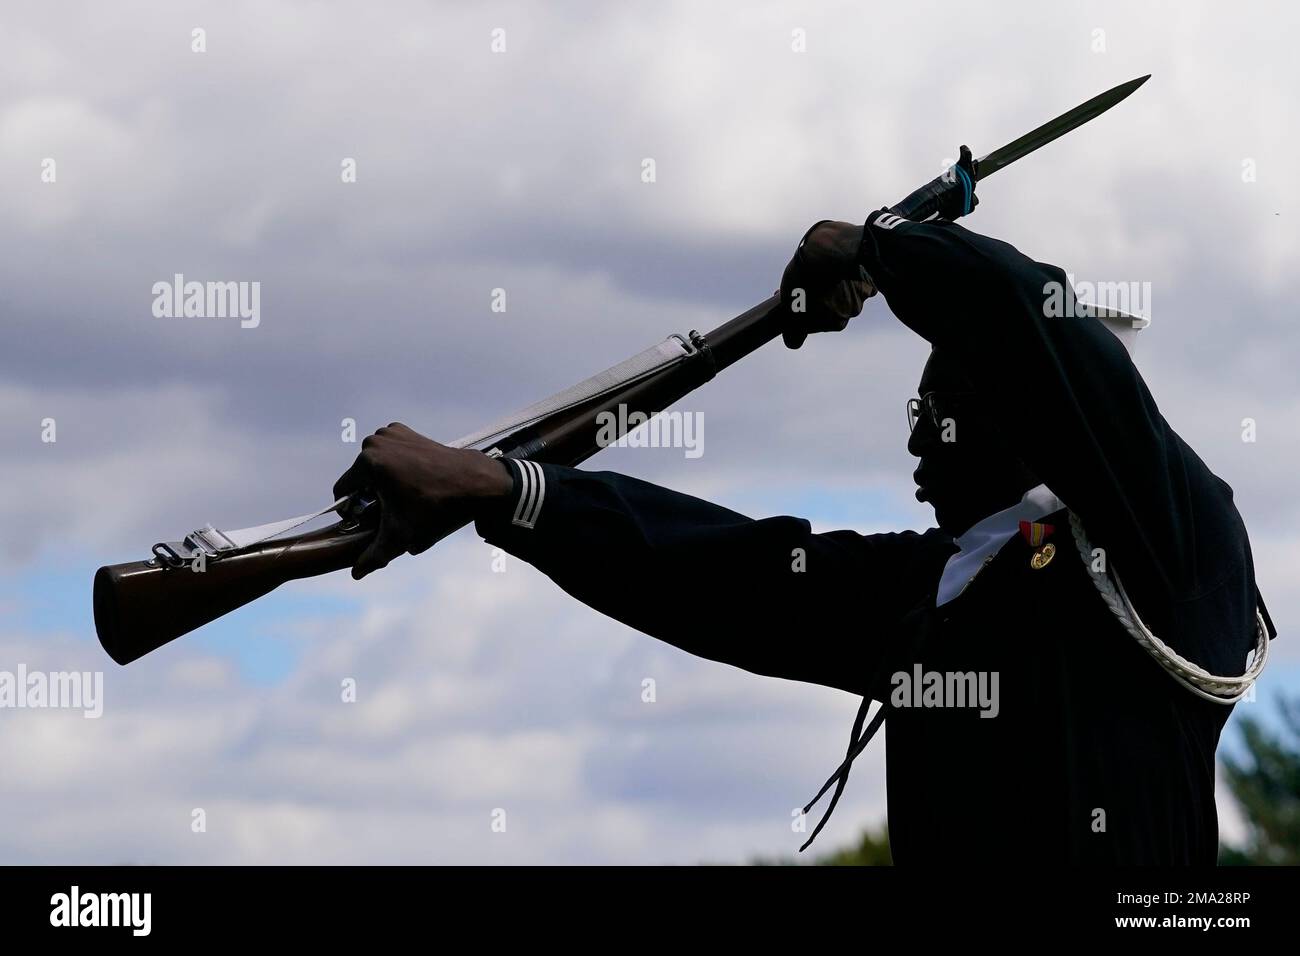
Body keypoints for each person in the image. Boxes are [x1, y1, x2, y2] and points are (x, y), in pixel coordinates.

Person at [333, 206, 1276, 864]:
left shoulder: (1173, 541)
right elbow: (726, 573)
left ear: (1025, 411)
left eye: (939, 405)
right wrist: (502, 489)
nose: (915, 434)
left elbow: (1027, 320)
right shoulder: (942, 587)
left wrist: (872, 247)